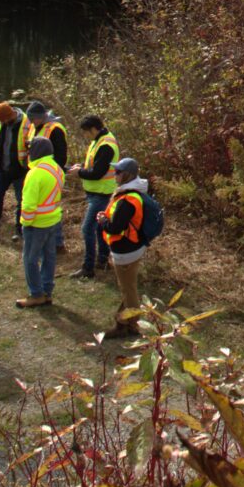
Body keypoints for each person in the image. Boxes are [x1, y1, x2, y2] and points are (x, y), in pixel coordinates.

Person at [98, 157, 155, 338]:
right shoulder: (134, 193)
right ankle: (123, 322)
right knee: (128, 286)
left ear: (127, 175)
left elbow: (115, 227)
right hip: (135, 246)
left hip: (126, 251)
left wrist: (103, 221)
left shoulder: (127, 200)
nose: (115, 175)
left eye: (118, 172)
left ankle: (134, 325)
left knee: (128, 291)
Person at [17, 136, 66, 308]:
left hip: (37, 224)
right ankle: (47, 291)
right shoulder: (57, 169)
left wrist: (26, 222)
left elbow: (29, 204)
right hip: (53, 220)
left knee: (30, 259)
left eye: (30, 150)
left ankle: (36, 294)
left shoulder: (35, 173)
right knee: (49, 257)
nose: (28, 153)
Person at [72, 115, 120, 280]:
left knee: (87, 228)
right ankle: (102, 260)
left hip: (102, 193)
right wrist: (81, 167)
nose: (85, 136)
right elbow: (94, 166)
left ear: (94, 129)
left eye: (86, 132)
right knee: (100, 228)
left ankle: (88, 268)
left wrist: (78, 172)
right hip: (96, 192)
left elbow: (97, 174)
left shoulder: (106, 145)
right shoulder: (99, 140)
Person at [0, 100, 22, 241]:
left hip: (20, 170)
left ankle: (19, 232)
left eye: (4, 119)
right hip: (2, 169)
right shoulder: (3, 124)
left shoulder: (25, 124)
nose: (3, 122)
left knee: (22, 202)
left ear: (9, 114)